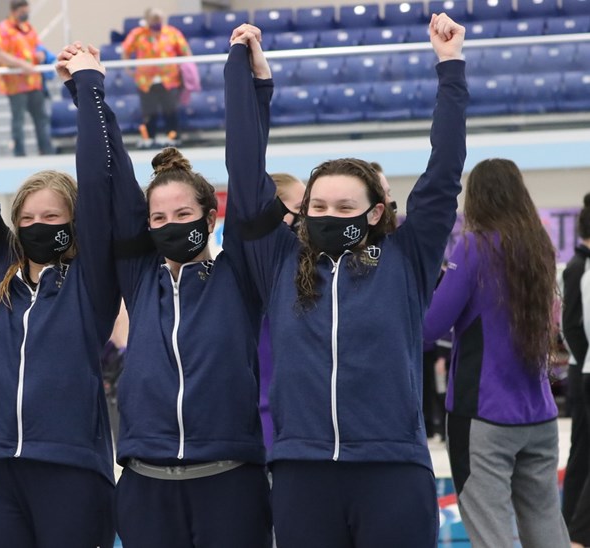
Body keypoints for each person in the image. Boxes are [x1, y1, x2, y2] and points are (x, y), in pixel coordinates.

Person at [226, 15, 467, 547]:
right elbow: (245, 175)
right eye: (317, 205)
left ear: (377, 212)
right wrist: (251, 82)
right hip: (301, 471)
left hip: (392, 468)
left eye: (344, 206)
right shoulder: (280, 260)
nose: (328, 213)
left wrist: (450, 68)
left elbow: (444, 171)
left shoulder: (408, 258)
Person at [72, 33, 269, 544]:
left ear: (210, 215)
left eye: (183, 215)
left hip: (230, 482)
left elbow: (248, 172)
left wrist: (246, 81)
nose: (170, 225)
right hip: (145, 485)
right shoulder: (140, 278)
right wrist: (89, 88)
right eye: (159, 217)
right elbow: (107, 180)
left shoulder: (240, 274)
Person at [0, 26, 119, 547]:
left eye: (53, 216)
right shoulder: (0, 268)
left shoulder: (92, 280)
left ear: (75, 221)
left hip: (71, 468)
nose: (39, 225)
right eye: (29, 217)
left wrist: (86, 90)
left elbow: (100, 178)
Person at [423, 158, 570, 548]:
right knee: (546, 528)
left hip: (483, 417)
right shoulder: (540, 248)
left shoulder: (473, 246)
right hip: (540, 417)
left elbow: (429, 328)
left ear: (476, 198)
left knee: (492, 536)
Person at [257, 173, 305, 450]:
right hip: (268, 418)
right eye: (300, 209)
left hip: (303, 415)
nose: (308, 217)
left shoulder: (308, 267)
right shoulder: (266, 271)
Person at [557, 194, 590, 547]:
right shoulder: (578, 268)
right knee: (581, 453)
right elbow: (571, 326)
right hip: (584, 370)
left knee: (582, 453)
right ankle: (574, 529)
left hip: (585, 368)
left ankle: (573, 527)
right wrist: (582, 359)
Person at [121, 8, 192, 148]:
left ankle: (172, 137)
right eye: (153, 19)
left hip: (170, 79)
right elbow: (125, 50)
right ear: (147, 20)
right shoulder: (138, 34)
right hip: (146, 81)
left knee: (170, 110)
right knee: (148, 111)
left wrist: (185, 68)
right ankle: (149, 138)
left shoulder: (172, 32)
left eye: (158, 19)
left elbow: (185, 51)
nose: (156, 22)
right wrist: (127, 68)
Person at [0, 0, 54, 156]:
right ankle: (19, 155)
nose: (26, 14)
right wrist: (20, 64)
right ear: (14, 11)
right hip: (15, 84)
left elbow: (38, 46)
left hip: (34, 82)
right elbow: (0, 54)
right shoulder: (3, 29)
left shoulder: (28, 28)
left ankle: (46, 151)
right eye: (23, 11)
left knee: (41, 119)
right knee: (18, 121)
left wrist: (41, 54)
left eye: (27, 11)